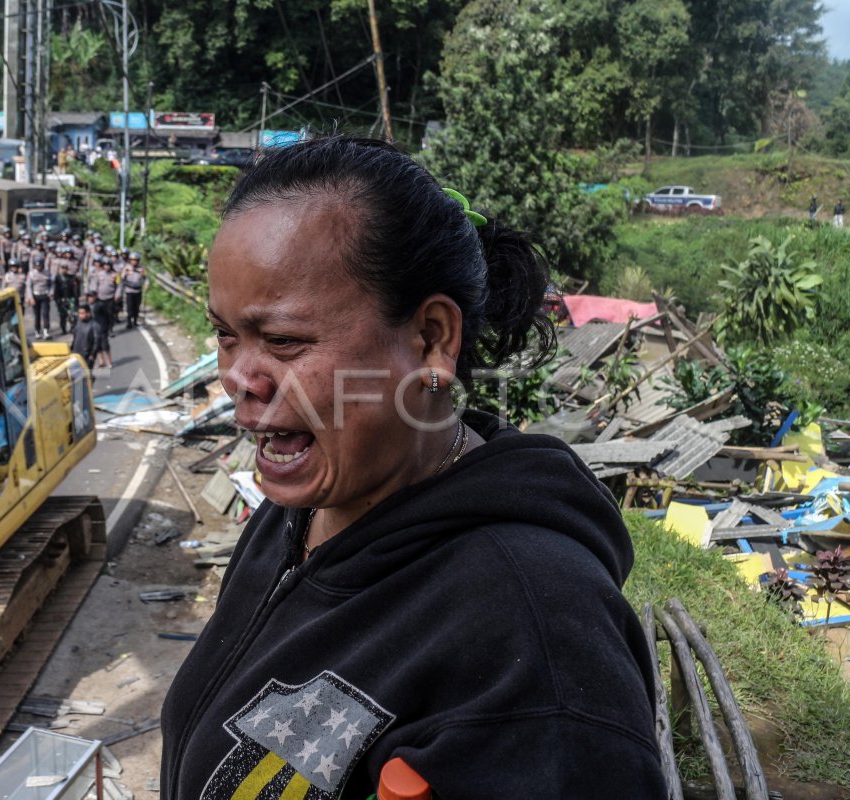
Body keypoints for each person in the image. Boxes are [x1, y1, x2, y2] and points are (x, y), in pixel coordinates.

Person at [159, 137, 665, 799]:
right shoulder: (293, 518)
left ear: (429, 339)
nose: (237, 378)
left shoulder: (535, 642)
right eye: (227, 335)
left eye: (282, 340)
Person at [70, 299, 101, 370]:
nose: (80, 315)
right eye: (79, 313)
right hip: (76, 353)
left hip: (87, 355)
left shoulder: (94, 325)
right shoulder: (78, 323)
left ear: (88, 313)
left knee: (86, 377)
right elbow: (75, 337)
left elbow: (97, 342)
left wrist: (92, 355)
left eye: (82, 313)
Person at [26, 257, 53, 338]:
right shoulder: (31, 274)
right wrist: (30, 298)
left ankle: (46, 331)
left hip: (45, 295)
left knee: (45, 314)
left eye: (40, 265)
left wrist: (51, 293)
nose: (39, 267)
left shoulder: (47, 273)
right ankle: (37, 331)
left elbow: (52, 284)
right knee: (37, 315)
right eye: (37, 266)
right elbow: (29, 286)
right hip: (35, 296)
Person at [53, 260, 79, 335]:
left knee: (73, 315)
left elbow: (75, 289)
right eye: (62, 268)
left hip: (70, 298)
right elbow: (56, 290)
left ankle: (72, 328)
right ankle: (63, 329)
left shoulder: (71, 278)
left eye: (65, 268)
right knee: (62, 315)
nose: (64, 270)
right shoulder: (57, 278)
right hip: (61, 298)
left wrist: (76, 298)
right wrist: (57, 299)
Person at [120, 252, 146, 328]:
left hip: (138, 290)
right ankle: (129, 322)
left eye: (135, 260)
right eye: (132, 260)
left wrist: (146, 284)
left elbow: (145, 278)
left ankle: (135, 321)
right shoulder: (127, 268)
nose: (134, 262)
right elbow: (122, 278)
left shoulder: (141, 268)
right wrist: (126, 275)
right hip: (129, 290)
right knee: (129, 307)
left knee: (136, 307)